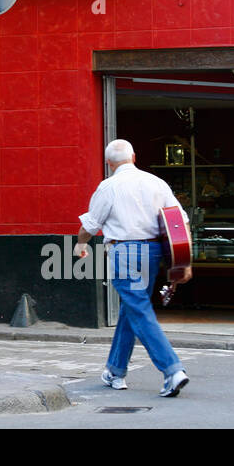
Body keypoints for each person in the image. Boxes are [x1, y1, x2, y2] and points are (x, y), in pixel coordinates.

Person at [74, 139, 191, 398]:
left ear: (108, 163)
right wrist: (185, 262)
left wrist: (80, 245)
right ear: (134, 157)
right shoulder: (156, 183)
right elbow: (180, 221)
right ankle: (115, 371)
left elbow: (91, 225)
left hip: (124, 251)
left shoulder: (108, 186)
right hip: (153, 251)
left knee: (138, 309)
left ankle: (172, 370)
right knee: (132, 307)